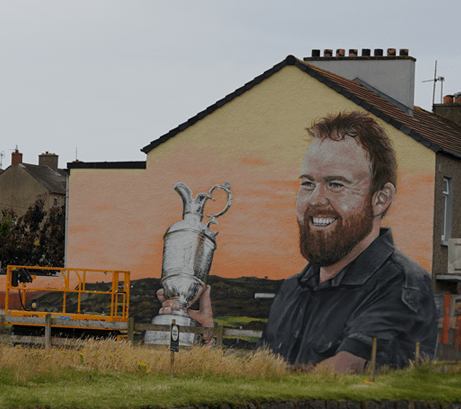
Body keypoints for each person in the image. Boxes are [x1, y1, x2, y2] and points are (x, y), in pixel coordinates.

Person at [173, 111, 438, 372]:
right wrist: (207, 342)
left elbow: (338, 375)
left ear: (380, 199)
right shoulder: (292, 290)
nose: (314, 199)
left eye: (335, 184)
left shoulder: (402, 286)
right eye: (308, 183)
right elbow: (264, 375)